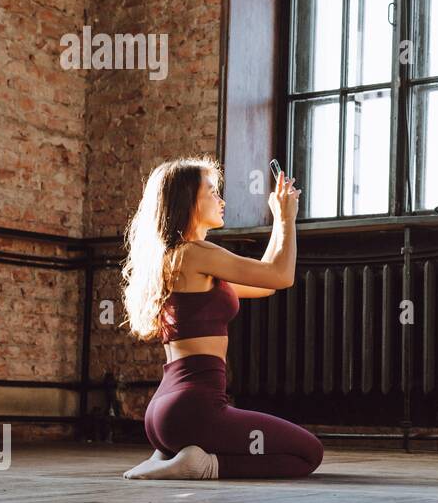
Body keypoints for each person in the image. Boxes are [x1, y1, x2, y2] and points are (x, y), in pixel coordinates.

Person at [119, 154, 323, 480]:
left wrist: (279, 219)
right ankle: (203, 466)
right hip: (195, 411)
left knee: (288, 447)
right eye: (212, 191)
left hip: (163, 415)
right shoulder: (196, 253)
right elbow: (282, 276)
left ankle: (169, 456)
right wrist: (287, 218)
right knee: (309, 453)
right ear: (188, 201)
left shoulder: (178, 258)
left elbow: (267, 282)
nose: (221, 200)